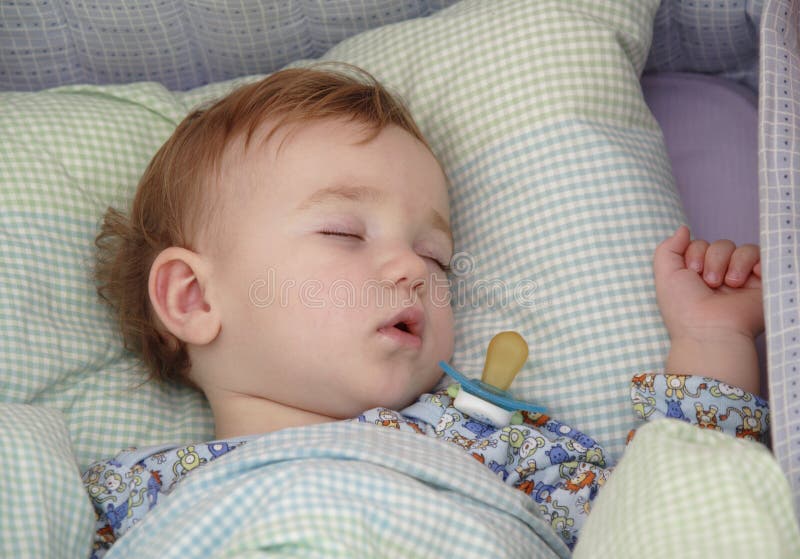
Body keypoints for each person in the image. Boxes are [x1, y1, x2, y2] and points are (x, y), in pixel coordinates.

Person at [85, 65, 769, 556]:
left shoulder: (489, 439)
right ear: (195, 298)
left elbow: (670, 506)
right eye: (344, 233)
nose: (413, 267)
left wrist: (711, 336)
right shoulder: (126, 498)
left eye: (437, 257)